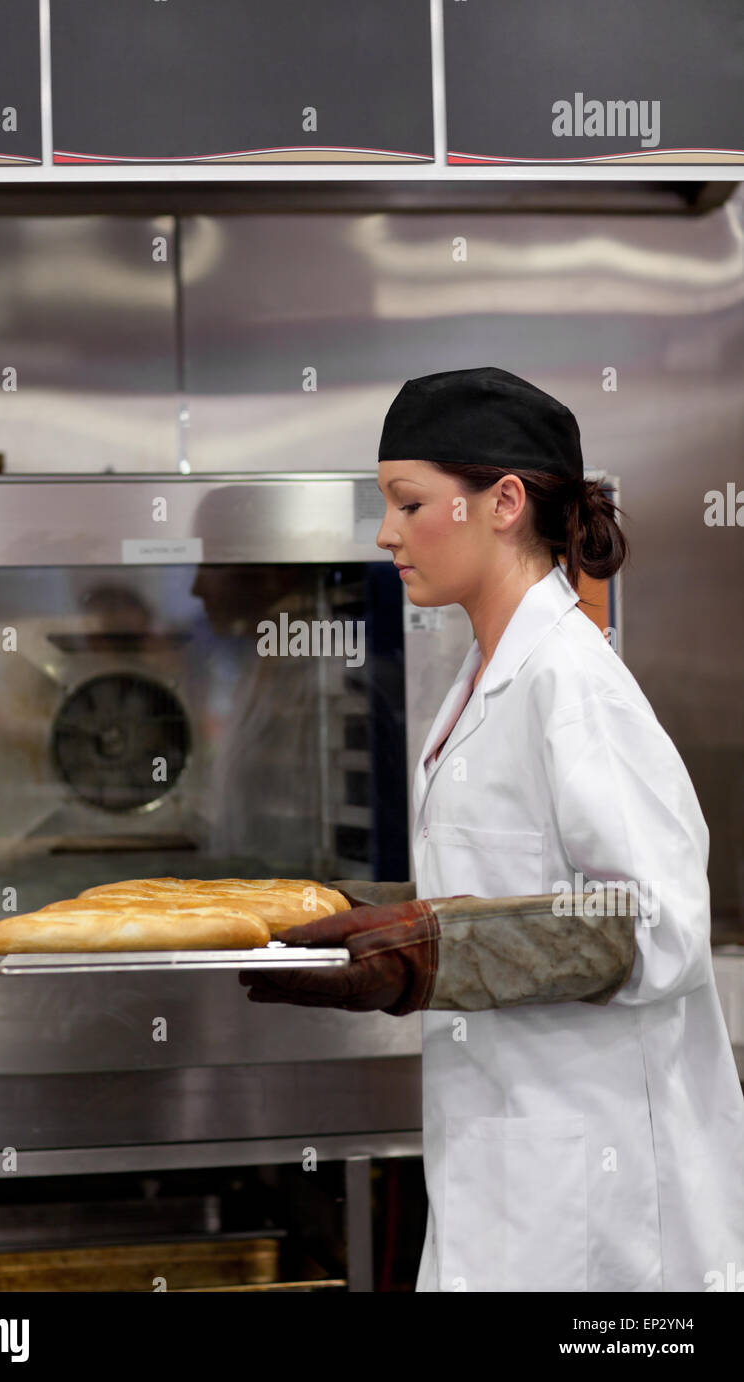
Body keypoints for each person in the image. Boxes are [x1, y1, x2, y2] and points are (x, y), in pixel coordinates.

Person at [240, 366, 744, 1293]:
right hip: (506, 1168)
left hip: (603, 1210)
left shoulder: (573, 686)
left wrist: (433, 954)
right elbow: (512, 892)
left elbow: (661, 927)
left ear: (503, 502)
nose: (386, 532)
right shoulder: (482, 676)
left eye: (409, 501)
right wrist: (362, 915)